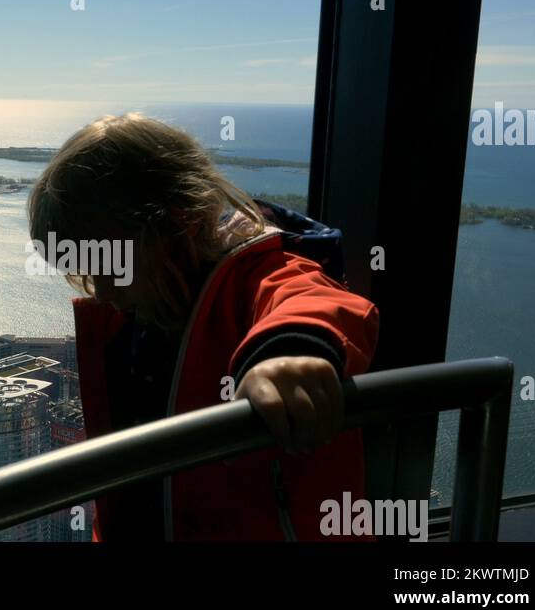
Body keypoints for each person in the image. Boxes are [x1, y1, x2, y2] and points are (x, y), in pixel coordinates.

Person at [28, 113, 380, 541]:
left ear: (179, 224)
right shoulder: (132, 322)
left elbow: (312, 298)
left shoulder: (258, 273)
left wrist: (287, 354)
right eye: (86, 271)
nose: (100, 291)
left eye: (108, 266)